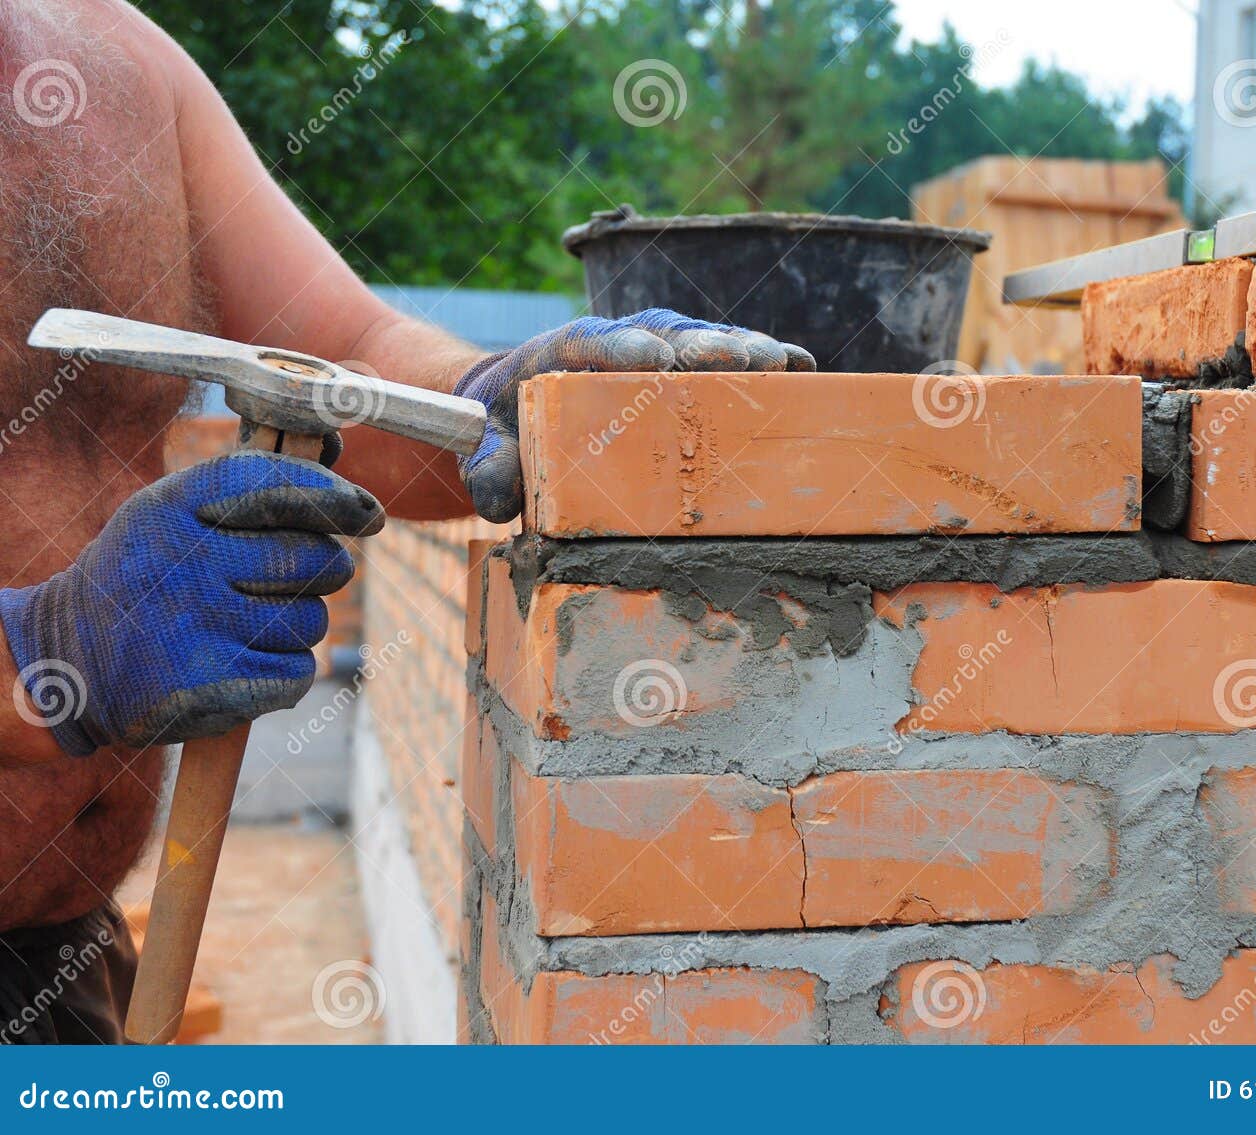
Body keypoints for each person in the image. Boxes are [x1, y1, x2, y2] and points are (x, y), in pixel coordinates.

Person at [0, 0, 811, 1043]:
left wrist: (485, 391)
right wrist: (53, 651)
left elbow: (343, 356)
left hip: (63, 952)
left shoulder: (113, 54)